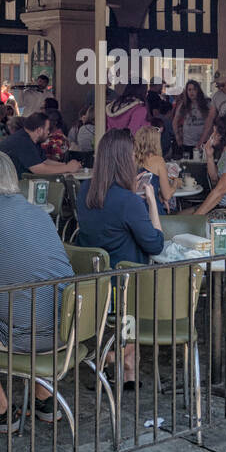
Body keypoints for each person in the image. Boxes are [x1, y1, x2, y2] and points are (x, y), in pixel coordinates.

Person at [0, 150, 74, 431]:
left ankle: (1, 410)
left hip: (26, 337)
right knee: (31, 304)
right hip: (69, 329)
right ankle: (44, 398)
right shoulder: (38, 210)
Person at [76, 129, 164, 386]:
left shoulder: (85, 192)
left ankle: (129, 369)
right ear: (126, 160)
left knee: (130, 315)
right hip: (126, 288)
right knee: (135, 306)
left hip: (97, 283)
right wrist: (151, 204)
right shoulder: (128, 202)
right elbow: (156, 244)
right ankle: (111, 357)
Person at [0, 111, 81, 179]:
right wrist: (67, 168)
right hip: (4, 186)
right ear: (39, 130)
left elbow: (44, 161)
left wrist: (67, 165)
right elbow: (39, 169)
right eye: (47, 129)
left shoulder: (32, 140)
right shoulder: (23, 141)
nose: (48, 132)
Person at [133, 124, 178, 213]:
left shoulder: (131, 159)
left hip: (134, 209)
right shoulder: (158, 161)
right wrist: (176, 183)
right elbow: (167, 195)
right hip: (152, 210)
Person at [172, 79, 210, 156]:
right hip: (187, 142)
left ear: (198, 91)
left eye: (194, 89)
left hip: (203, 141)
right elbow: (175, 121)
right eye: (189, 90)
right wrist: (178, 137)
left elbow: (209, 125)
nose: (191, 92)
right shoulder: (183, 105)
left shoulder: (206, 104)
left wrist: (201, 141)